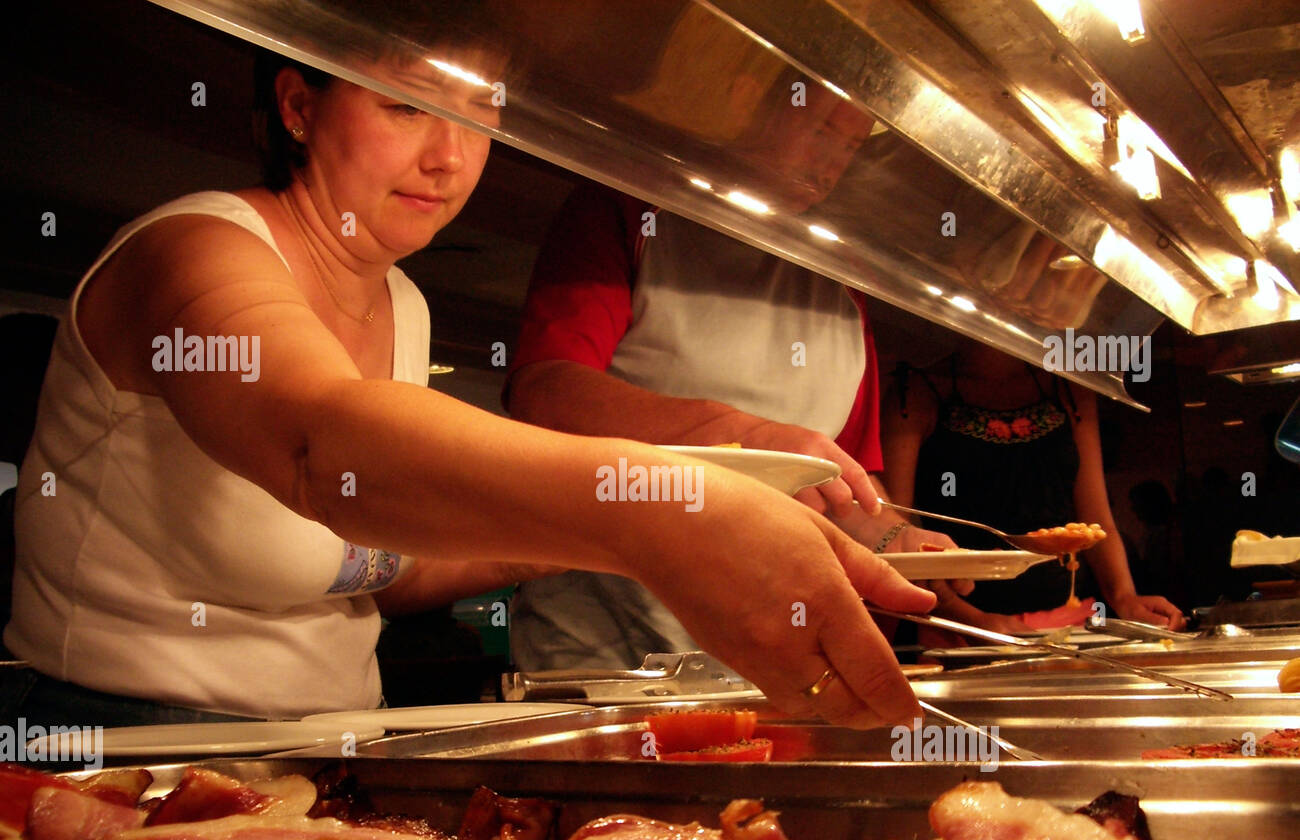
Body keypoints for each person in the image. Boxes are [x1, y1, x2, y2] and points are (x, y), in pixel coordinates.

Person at [0, 44, 934, 732]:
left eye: (479, 115)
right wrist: (663, 510)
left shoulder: (402, 305)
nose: (451, 158)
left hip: (333, 737)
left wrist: (601, 539)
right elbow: (319, 448)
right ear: (298, 105)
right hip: (117, 743)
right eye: (408, 105)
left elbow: (389, 567)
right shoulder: (193, 249)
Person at [504, 174, 963, 670]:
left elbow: (837, 481)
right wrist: (737, 435)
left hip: (776, 650)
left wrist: (896, 538)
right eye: (823, 120)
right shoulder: (631, 205)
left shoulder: (842, 270)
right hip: (608, 649)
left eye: (853, 138)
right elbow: (545, 391)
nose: (836, 155)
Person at [880, 342, 1185, 633]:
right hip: (957, 627)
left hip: (1071, 620)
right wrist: (973, 620)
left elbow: (1097, 521)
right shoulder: (915, 390)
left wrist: (1125, 599)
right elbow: (897, 536)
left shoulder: (1069, 385)